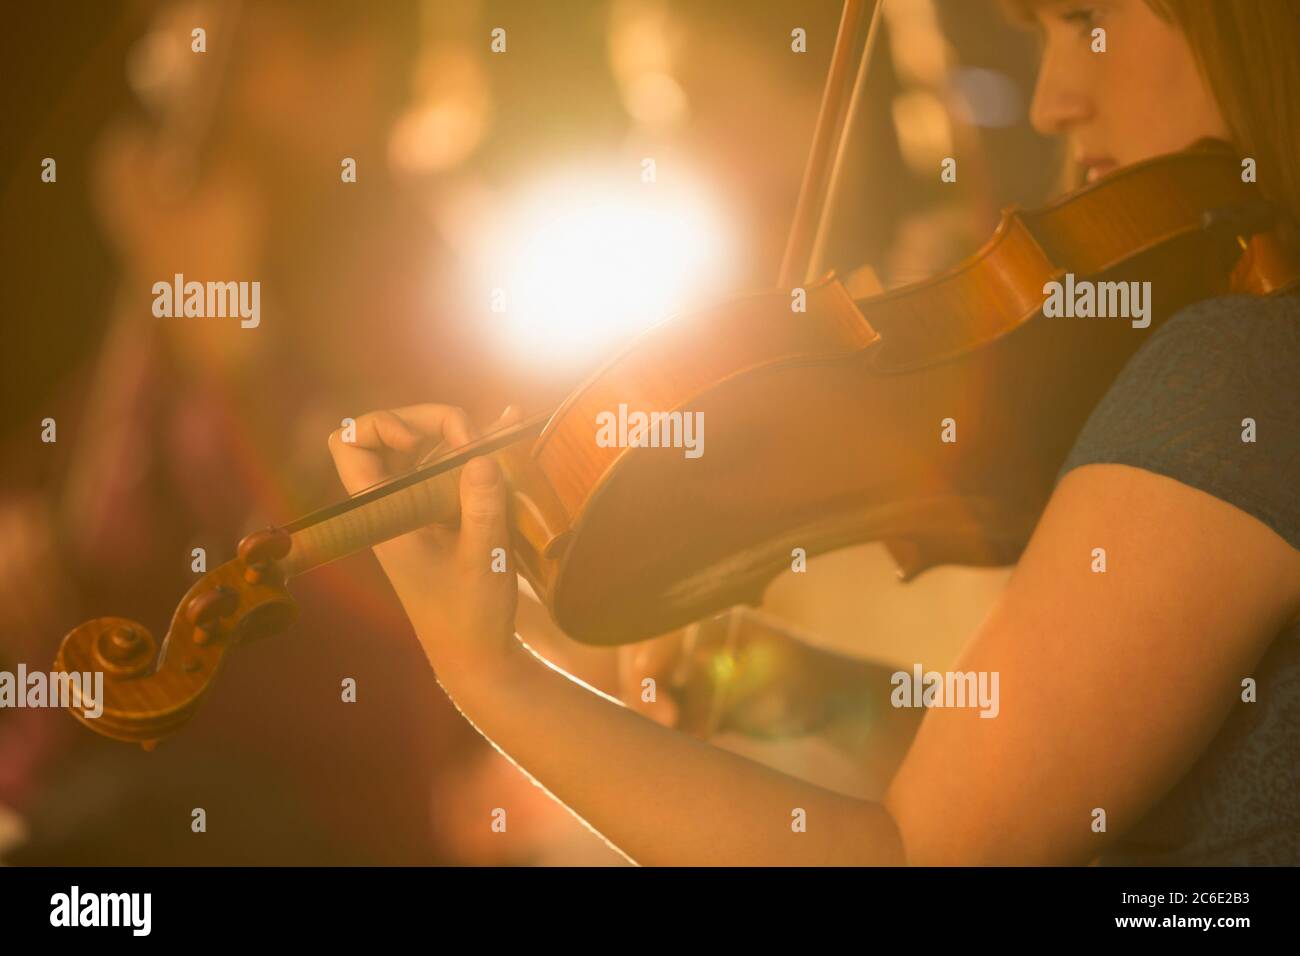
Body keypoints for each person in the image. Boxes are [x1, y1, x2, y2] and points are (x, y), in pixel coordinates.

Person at [327, 0, 1300, 866]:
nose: (1051, 102)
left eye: (1085, 20)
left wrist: (489, 673)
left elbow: (918, 852)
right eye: (1039, 35)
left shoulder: (1241, 365)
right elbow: (1075, 779)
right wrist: (810, 689)